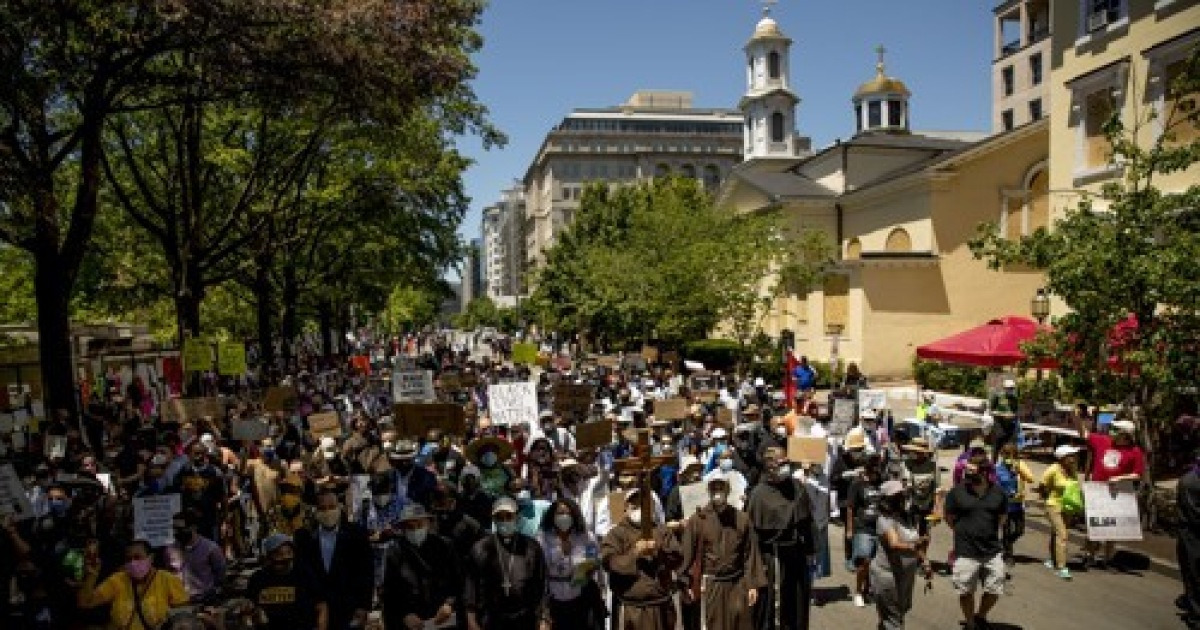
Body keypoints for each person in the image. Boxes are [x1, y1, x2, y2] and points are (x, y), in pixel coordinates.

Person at [679, 477, 766, 630]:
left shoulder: (742, 519)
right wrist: (686, 583)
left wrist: (752, 585)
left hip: (737, 583)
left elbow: (750, 554)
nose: (718, 492)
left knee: (739, 623)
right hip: (711, 585)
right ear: (709, 491)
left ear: (728, 490)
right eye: (714, 488)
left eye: (721, 488)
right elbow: (687, 554)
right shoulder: (698, 520)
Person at [745, 446, 815, 630]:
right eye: (782, 463)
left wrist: (810, 551)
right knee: (771, 609)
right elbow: (752, 536)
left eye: (787, 463)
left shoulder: (797, 487)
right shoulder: (758, 494)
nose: (786, 467)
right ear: (770, 466)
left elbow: (806, 522)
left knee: (795, 607)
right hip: (771, 558)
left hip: (795, 556)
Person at [601, 488, 684, 630]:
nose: (639, 508)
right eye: (634, 505)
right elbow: (609, 563)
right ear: (626, 509)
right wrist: (635, 552)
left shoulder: (662, 531)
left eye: (643, 505)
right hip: (632, 609)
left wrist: (659, 549)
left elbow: (677, 558)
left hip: (661, 606)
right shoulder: (616, 534)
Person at [943, 452, 1008, 630]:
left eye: (972, 471)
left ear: (984, 472)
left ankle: (981, 616)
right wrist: (963, 531)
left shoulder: (998, 493)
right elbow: (949, 517)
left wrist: (986, 531)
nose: (968, 474)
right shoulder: (957, 492)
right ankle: (970, 623)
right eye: (967, 471)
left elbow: (1002, 518)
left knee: (995, 589)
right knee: (965, 591)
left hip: (992, 550)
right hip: (966, 551)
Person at [294, 489, 375, 630]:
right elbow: (302, 573)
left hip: (350, 608)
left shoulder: (357, 533)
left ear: (340, 507)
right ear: (315, 510)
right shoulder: (304, 536)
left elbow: (366, 571)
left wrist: (363, 606)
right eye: (322, 508)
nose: (327, 512)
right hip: (316, 610)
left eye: (331, 507)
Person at [465, 497, 549, 630]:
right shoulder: (480, 548)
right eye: (499, 517)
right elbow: (471, 586)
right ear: (494, 519)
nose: (504, 521)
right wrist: (471, 619)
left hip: (525, 619)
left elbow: (542, 583)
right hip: (491, 620)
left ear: (517, 517)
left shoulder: (531, 547)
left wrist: (544, 617)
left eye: (509, 516)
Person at [382, 504, 464, 630]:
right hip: (411, 621)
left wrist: (449, 604)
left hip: (442, 618)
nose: (415, 530)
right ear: (403, 529)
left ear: (428, 523)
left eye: (419, 525)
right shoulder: (394, 552)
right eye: (410, 527)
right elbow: (389, 593)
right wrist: (404, 614)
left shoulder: (445, 546)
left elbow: (459, 582)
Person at [78, 539, 189, 630]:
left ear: (151, 558)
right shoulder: (117, 580)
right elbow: (85, 602)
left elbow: (183, 617)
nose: (133, 563)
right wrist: (92, 575)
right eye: (128, 559)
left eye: (137, 557)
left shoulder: (167, 580)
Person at [1078, 418, 1145, 568]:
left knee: (1112, 528)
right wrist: (1075, 416)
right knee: (1095, 525)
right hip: (1098, 490)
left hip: (1117, 493)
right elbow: (1084, 434)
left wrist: (1120, 478)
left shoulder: (1135, 451)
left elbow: (1137, 474)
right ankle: (1090, 555)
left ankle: (1108, 558)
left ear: (1125, 435)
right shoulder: (1103, 441)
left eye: (1116, 430)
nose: (1112, 432)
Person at [537, 498, 606, 630]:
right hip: (553, 599)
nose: (564, 517)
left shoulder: (587, 537)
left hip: (581, 598)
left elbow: (594, 562)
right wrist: (559, 552)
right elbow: (539, 566)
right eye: (560, 513)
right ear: (553, 515)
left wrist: (585, 570)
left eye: (568, 513)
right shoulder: (543, 537)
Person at [871, 480, 930, 630]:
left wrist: (925, 561)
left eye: (902, 495)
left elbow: (915, 541)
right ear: (885, 500)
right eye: (896, 496)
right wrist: (915, 546)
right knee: (894, 621)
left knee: (898, 614)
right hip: (888, 576)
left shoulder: (906, 517)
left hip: (905, 575)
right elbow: (894, 543)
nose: (901, 499)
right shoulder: (884, 519)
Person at [245, 533, 328, 630]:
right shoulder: (258, 578)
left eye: (289, 552)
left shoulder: (305, 575)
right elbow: (248, 608)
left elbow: (322, 606)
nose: (285, 557)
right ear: (268, 557)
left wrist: (321, 627)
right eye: (278, 554)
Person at [846, 455, 884, 608]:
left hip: (879, 528)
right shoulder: (857, 484)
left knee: (874, 563)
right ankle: (858, 592)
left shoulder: (881, 482)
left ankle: (868, 589)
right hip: (863, 527)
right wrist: (850, 529)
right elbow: (850, 508)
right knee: (864, 561)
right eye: (875, 469)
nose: (877, 472)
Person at [165, 510, 227, 604]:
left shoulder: (211, 549)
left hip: (204, 601)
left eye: (180, 529)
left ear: (193, 527)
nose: (176, 532)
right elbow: (168, 574)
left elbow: (220, 576)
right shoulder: (170, 550)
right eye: (174, 529)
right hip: (179, 601)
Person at [1039, 445, 1082, 580]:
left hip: (1067, 507)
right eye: (1070, 456)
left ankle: (1053, 559)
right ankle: (1061, 567)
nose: (1073, 459)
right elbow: (1042, 485)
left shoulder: (1072, 471)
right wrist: (1046, 499)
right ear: (1062, 457)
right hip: (1053, 506)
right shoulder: (1053, 469)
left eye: (1074, 456)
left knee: (1056, 533)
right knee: (1062, 535)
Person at [995, 444, 1035, 564]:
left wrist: (1019, 468)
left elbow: (1031, 479)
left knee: (1019, 530)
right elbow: (995, 486)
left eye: (1011, 454)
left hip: (1017, 504)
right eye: (1006, 454)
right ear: (1002, 455)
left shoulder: (1019, 466)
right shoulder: (998, 468)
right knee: (1007, 530)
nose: (1009, 457)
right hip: (1004, 504)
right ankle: (1008, 555)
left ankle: (1003, 543)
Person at [1176, 451, 1200, 624]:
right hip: (1191, 531)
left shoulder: (1189, 481)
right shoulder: (1190, 481)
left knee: (1193, 571)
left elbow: (1193, 514)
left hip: (1192, 533)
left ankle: (1196, 613)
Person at [901, 438, 939, 537]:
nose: (914, 454)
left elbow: (937, 488)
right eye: (912, 451)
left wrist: (936, 507)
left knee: (925, 533)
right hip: (911, 504)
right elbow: (905, 485)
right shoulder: (906, 464)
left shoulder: (933, 466)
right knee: (911, 533)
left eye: (917, 452)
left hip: (928, 504)